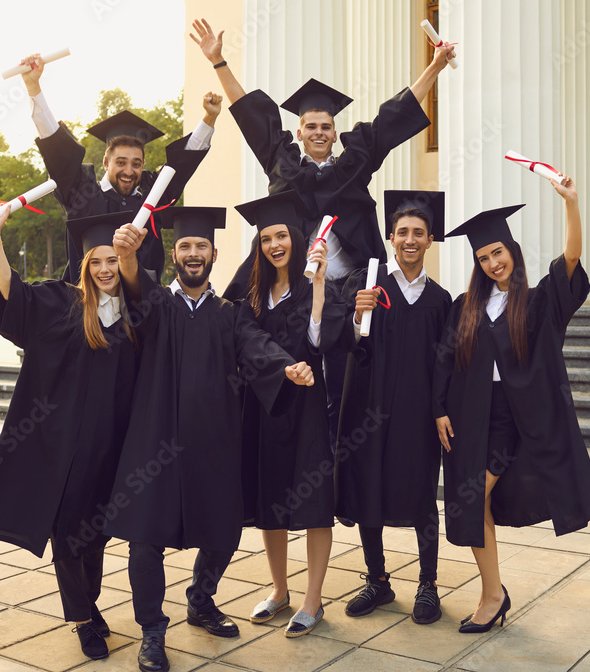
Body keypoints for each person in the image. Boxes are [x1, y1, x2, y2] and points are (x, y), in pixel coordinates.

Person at [190, 17, 455, 446]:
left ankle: (345, 474)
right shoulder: (282, 162)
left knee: (348, 379)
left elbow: (392, 117)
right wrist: (219, 61)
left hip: (348, 288)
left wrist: (436, 67)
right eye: (311, 126)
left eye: (325, 126)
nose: (318, 132)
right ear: (300, 131)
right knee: (273, 360)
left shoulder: (354, 163)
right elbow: (252, 117)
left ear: (335, 133)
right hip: (291, 288)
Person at [106, 208, 315, 672]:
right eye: (185, 247)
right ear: (175, 254)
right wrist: (125, 257)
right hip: (154, 442)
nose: (194, 254)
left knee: (223, 528)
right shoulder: (157, 304)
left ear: (214, 254)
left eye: (201, 247)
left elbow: (257, 346)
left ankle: (201, 601)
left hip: (213, 442)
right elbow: (134, 286)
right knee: (143, 539)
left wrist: (287, 365)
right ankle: (152, 631)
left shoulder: (231, 314)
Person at [0, 206, 139, 661]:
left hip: (111, 448)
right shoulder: (60, 302)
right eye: (95, 262)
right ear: (84, 265)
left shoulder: (134, 313)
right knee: (66, 532)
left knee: (97, 532)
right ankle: (82, 618)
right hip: (62, 448)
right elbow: (12, 293)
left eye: (111, 261)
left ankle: (90, 604)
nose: (104, 270)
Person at [432, 174, 590, 633]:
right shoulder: (465, 306)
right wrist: (438, 408)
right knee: (473, 506)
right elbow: (445, 361)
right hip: (470, 416)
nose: (492, 263)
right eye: (484, 257)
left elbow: (571, 259)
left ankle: (492, 596)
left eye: (498, 253)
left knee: (474, 499)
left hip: (515, 417)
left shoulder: (537, 302)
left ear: (512, 252)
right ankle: (492, 593)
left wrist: (571, 203)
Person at [234, 191, 351, 637]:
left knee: (315, 503)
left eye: (281, 235)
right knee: (271, 500)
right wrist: (283, 367)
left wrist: (321, 284)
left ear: (297, 239)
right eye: (266, 238)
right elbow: (245, 339)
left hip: (307, 408)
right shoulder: (254, 293)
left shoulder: (314, 286)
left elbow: (321, 339)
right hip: (266, 407)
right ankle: (280, 590)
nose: (274, 244)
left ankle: (313, 601)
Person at [336, 191, 452, 625]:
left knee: (423, 496)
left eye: (418, 233)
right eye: (402, 232)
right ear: (389, 237)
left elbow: (445, 363)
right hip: (369, 413)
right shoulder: (367, 287)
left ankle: (428, 584)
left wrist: (441, 409)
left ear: (429, 240)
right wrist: (353, 317)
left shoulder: (440, 301)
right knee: (370, 490)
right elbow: (344, 342)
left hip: (418, 416)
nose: (409, 239)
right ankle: (378, 581)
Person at [17, 52, 220, 284]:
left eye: (136, 164)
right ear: (106, 162)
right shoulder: (83, 195)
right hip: (88, 312)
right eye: (120, 162)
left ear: (143, 165)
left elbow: (181, 165)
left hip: (142, 311)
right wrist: (34, 87)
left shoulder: (153, 196)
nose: (129, 171)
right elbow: (60, 151)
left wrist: (208, 119)